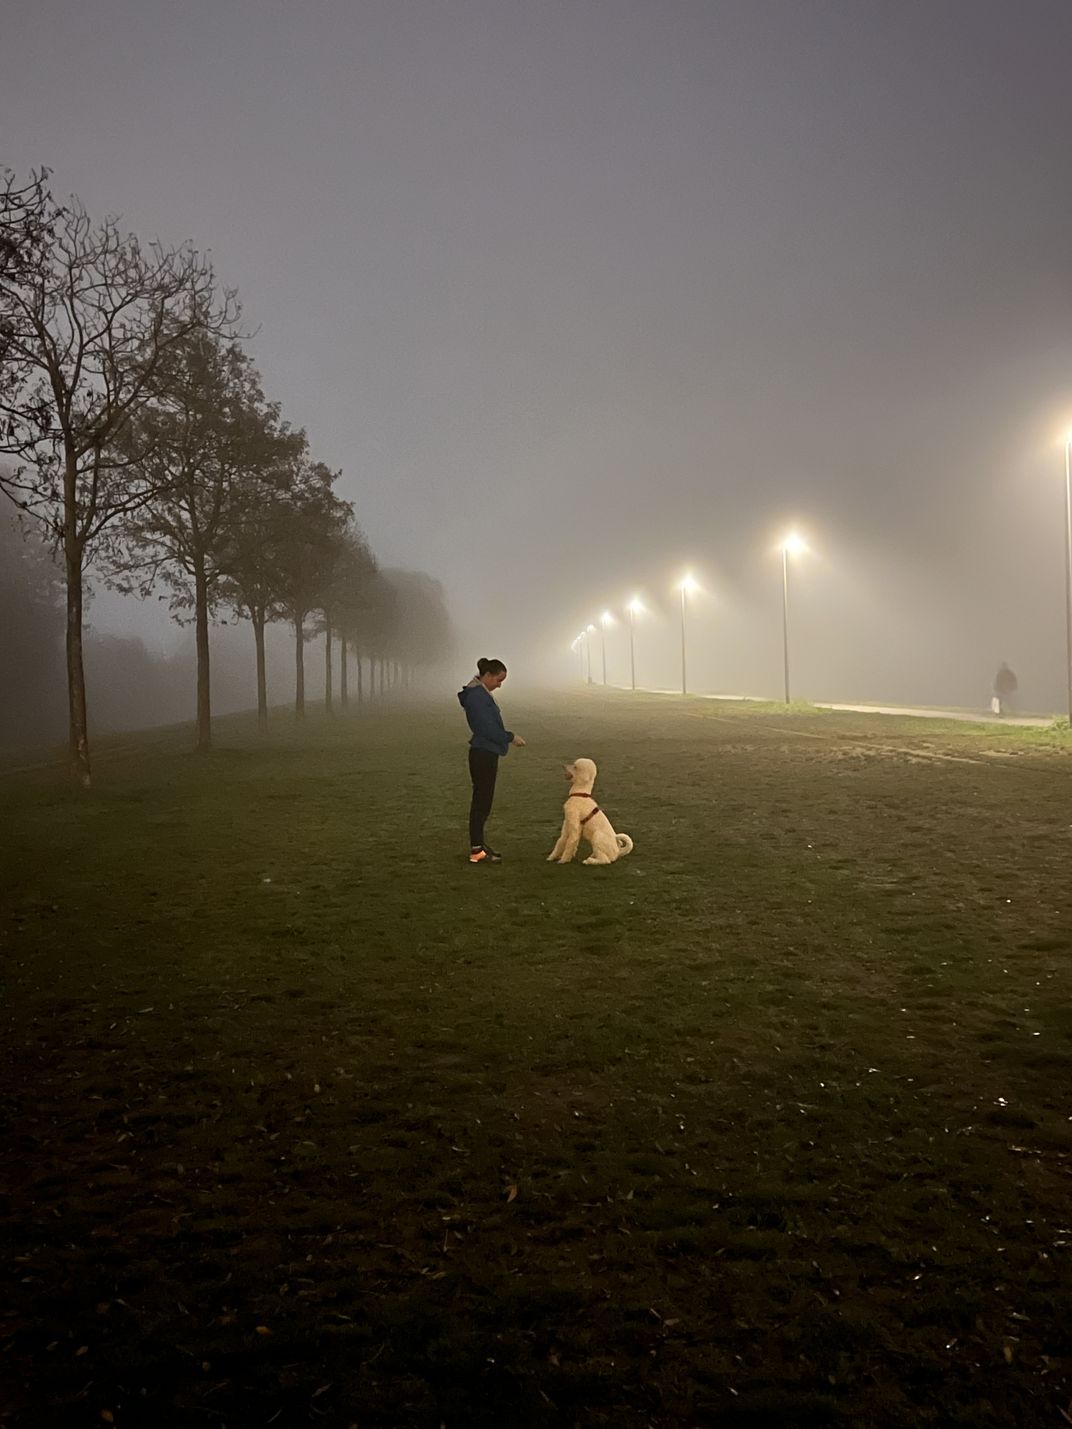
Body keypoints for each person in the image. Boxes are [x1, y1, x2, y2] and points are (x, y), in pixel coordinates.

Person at [457, 658, 526, 863]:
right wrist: (510, 737)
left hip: (485, 752)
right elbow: (486, 728)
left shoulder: (479, 694)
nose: (499, 685)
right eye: (498, 679)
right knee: (481, 802)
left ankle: (479, 845)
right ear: (487, 676)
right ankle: (476, 849)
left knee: (483, 802)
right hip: (483, 753)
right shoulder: (477, 696)